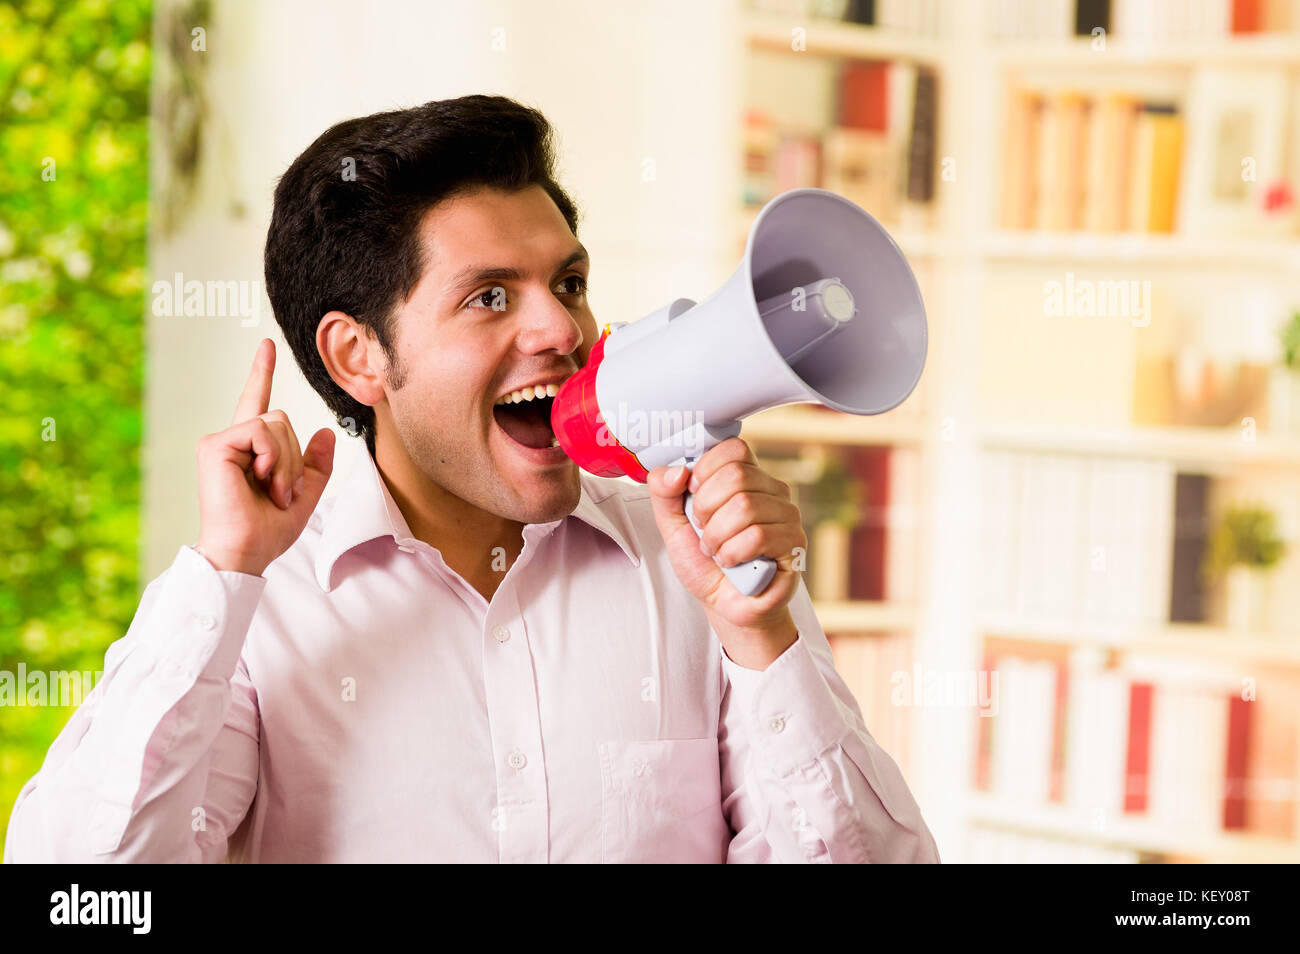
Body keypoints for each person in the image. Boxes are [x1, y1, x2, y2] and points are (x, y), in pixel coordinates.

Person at [4, 95, 939, 863]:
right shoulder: (260, 611)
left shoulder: (694, 560)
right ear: (357, 355)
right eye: (490, 296)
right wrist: (218, 579)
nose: (562, 331)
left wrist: (764, 641)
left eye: (567, 283)